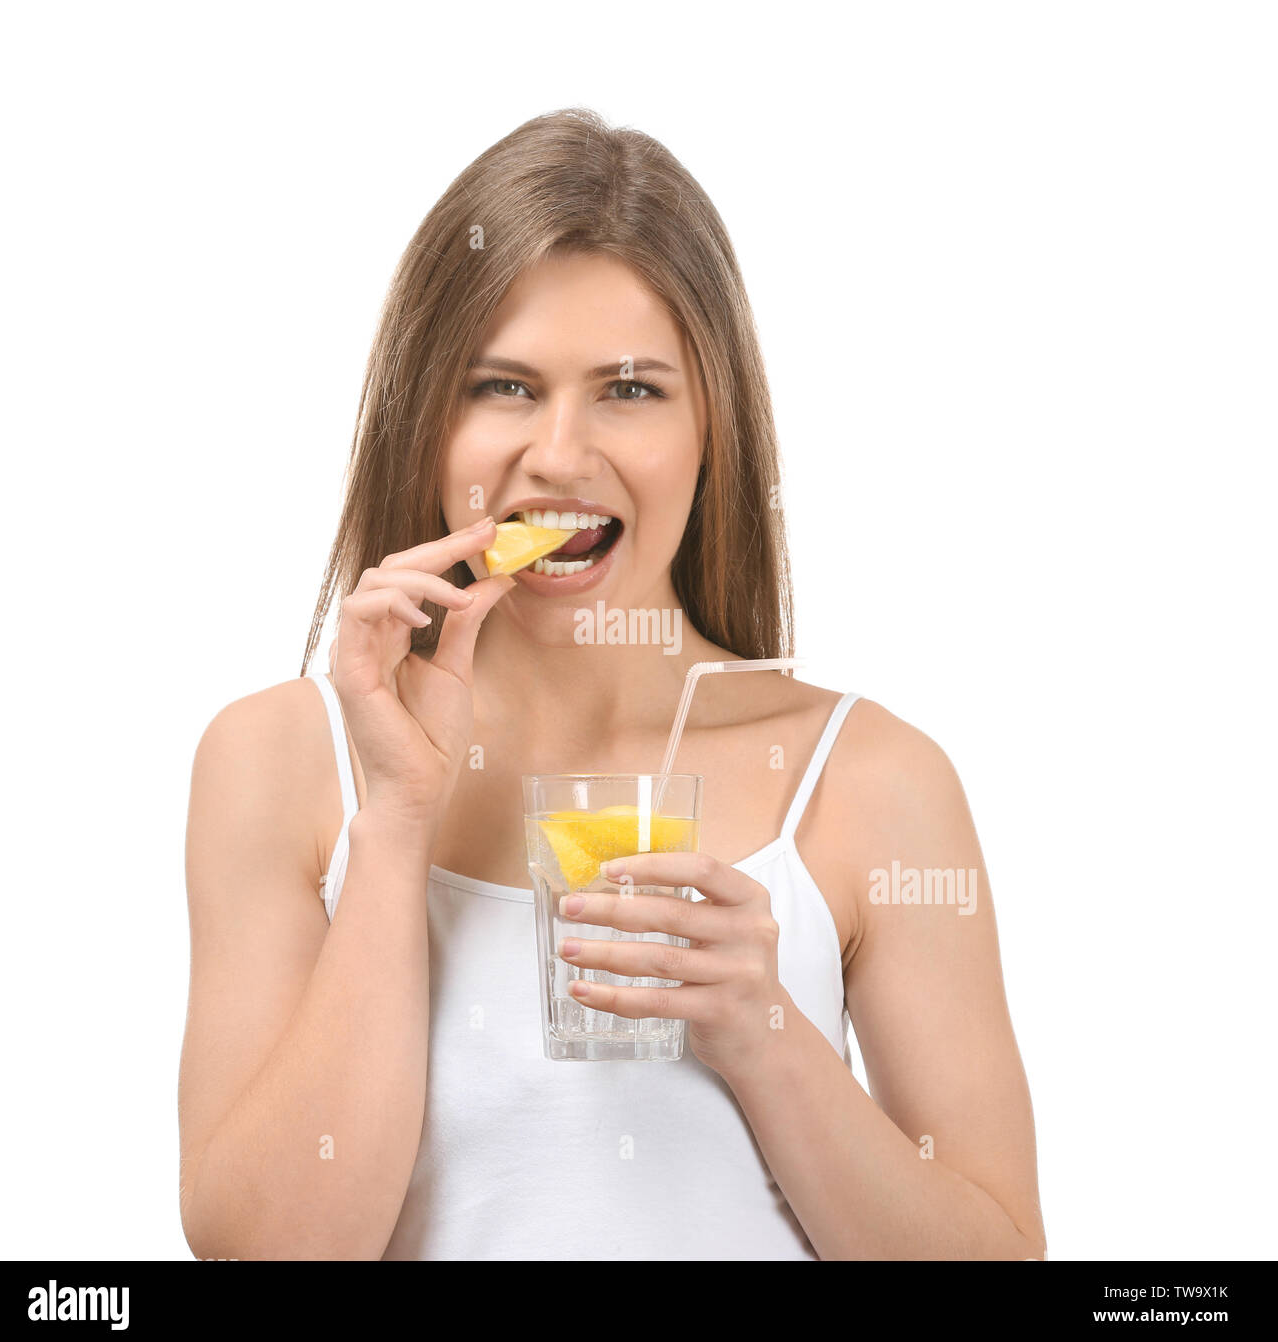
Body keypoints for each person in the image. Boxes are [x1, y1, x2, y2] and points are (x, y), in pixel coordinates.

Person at [178, 107, 1045, 1260]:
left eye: (630, 390)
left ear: (710, 431)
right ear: (427, 420)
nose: (559, 455)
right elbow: (268, 1249)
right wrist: (394, 822)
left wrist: (766, 1034)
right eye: (502, 386)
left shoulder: (870, 779)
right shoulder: (280, 762)